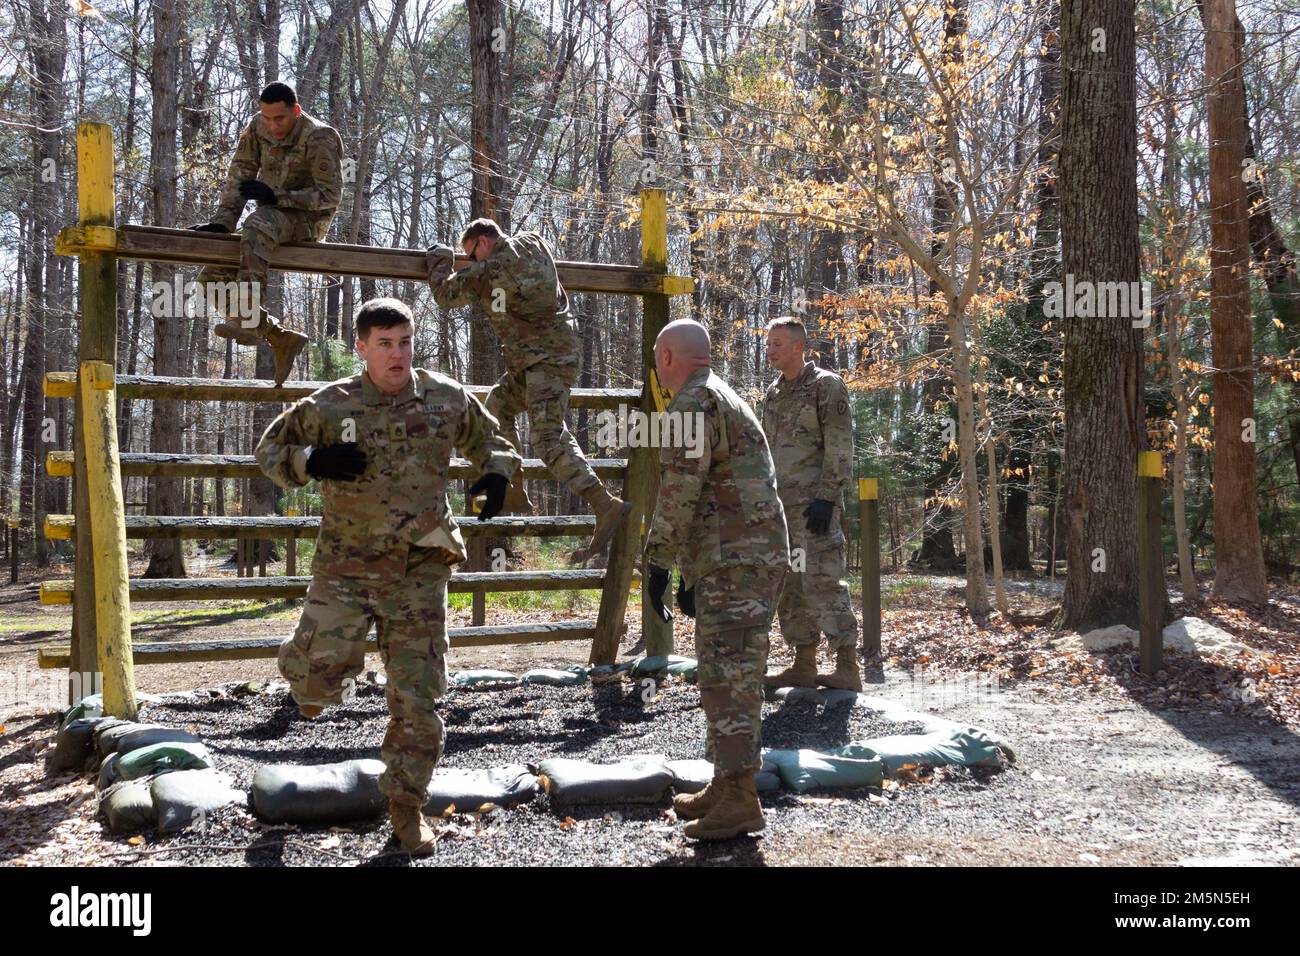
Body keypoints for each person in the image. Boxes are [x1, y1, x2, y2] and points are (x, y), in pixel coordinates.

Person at [254, 297, 521, 855]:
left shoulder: (446, 398)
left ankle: (406, 806)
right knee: (316, 690)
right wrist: (312, 462)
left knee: (419, 697)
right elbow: (269, 449)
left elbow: (494, 443)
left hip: (418, 567)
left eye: (405, 342)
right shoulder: (330, 405)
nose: (397, 355)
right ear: (361, 347)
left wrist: (494, 477)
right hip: (345, 566)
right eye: (384, 344)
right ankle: (300, 661)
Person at [643, 319, 789, 840]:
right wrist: (688, 570)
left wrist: (658, 562)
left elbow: (680, 489)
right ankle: (727, 786)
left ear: (665, 358)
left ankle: (742, 798)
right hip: (736, 558)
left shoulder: (691, 403)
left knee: (730, 679)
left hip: (736, 561)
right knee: (722, 673)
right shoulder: (722, 395)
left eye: (655, 361)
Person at [425, 219, 630, 559]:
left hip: (544, 364)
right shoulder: (534, 240)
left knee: (548, 440)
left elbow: (445, 295)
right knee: (497, 406)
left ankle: (604, 503)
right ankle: (512, 486)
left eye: (471, 253)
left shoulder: (488, 270)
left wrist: (439, 261)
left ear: (483, 241)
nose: (472, 261)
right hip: (539, 361)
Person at [190, 81, 343, 386]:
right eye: (267, 118)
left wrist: (277, 196)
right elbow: (240, 174)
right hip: (267, 222)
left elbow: (330, 196)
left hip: (307, 222)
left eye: (280, 119)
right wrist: (223, 223)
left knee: (258, 223)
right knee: (212, 278)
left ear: (296, 111)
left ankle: (246, 320)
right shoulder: (257, 128)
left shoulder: (319, 136)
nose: (272, 125)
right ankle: (280, 337)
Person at [761, 317, 862, 691]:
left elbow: (839, 444)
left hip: (816, 506)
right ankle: (803, 662)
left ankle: (847, 666)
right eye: (768, 343)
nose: (770, 350)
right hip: (781, 510)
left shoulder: (826, 386)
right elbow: (768, 453)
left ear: (800, 347)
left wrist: (827, 496)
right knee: (792, 583)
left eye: (778, 344)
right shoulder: (772, 393)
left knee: (824, 578)